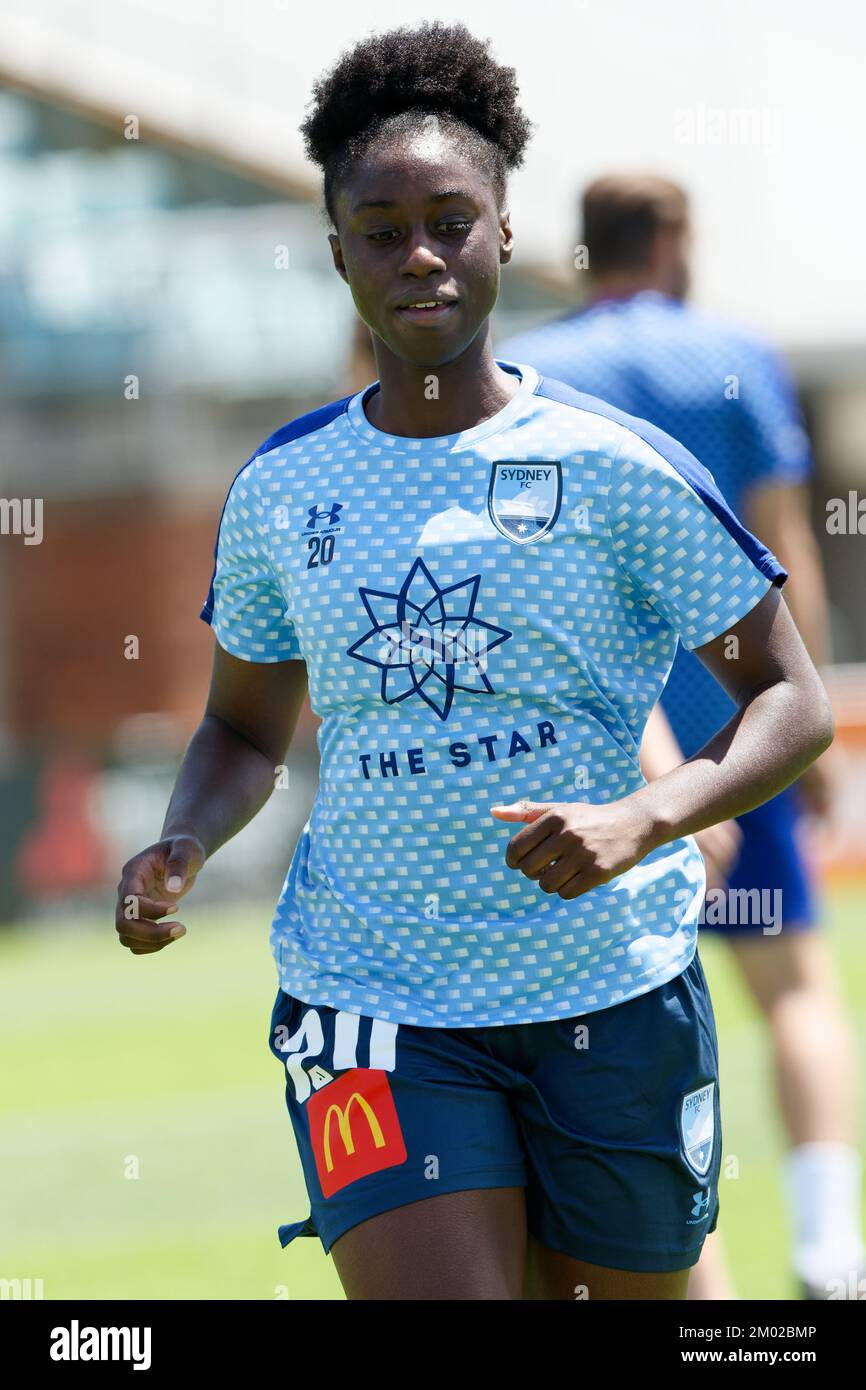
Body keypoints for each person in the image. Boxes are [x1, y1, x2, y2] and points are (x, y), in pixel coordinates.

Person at [114, 26, 834, 1301]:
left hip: (609, 994)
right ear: (336, 249)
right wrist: (184, 837)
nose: (420, 256)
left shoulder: (615, 468)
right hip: (371, 998)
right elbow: (240, 728)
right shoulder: (285, 487)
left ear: (505, 235)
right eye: (381, 228)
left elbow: (791, 700)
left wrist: (643, 817)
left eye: (451, 219)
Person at [502, 173, 864, 1299]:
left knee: (631, 1039)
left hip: (592, 759)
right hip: (732, 740)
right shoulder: (732, 353)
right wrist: (817, 730)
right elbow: (780, 545)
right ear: (668, 241)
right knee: (794, 992)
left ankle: (693, 1287)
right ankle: (825, 1247)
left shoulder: (539, 372)